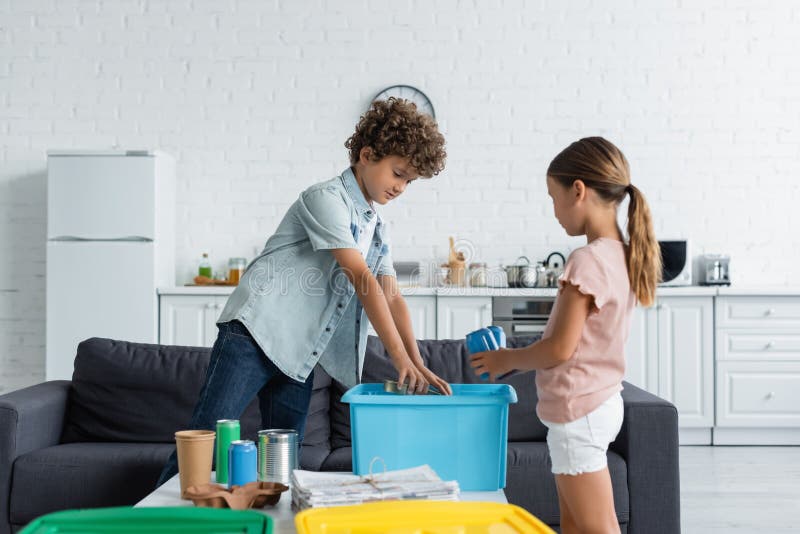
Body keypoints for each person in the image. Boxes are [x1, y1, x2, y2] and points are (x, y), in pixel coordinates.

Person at [157, 97, 452, 487]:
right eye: (398, 173)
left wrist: (416, 360)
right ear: (367, 154)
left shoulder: (377, 226)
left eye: (410, 181)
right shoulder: (325, 199)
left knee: (282, 462)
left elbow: (391, 294)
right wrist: (398, 359)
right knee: (204, 441)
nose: (401, 187)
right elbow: (361, 277)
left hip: (301, 353)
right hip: (254, 332)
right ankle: (148, 522)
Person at [470, 137, 660, 534]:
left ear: (579, 191)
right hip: (598, 404)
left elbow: (559, 348)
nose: (554, 211)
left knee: (597, 528)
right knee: (574, 526)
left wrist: (507, 359)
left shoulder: (587, 260)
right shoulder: (620, 255)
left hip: (579, 414)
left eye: (553, 197)